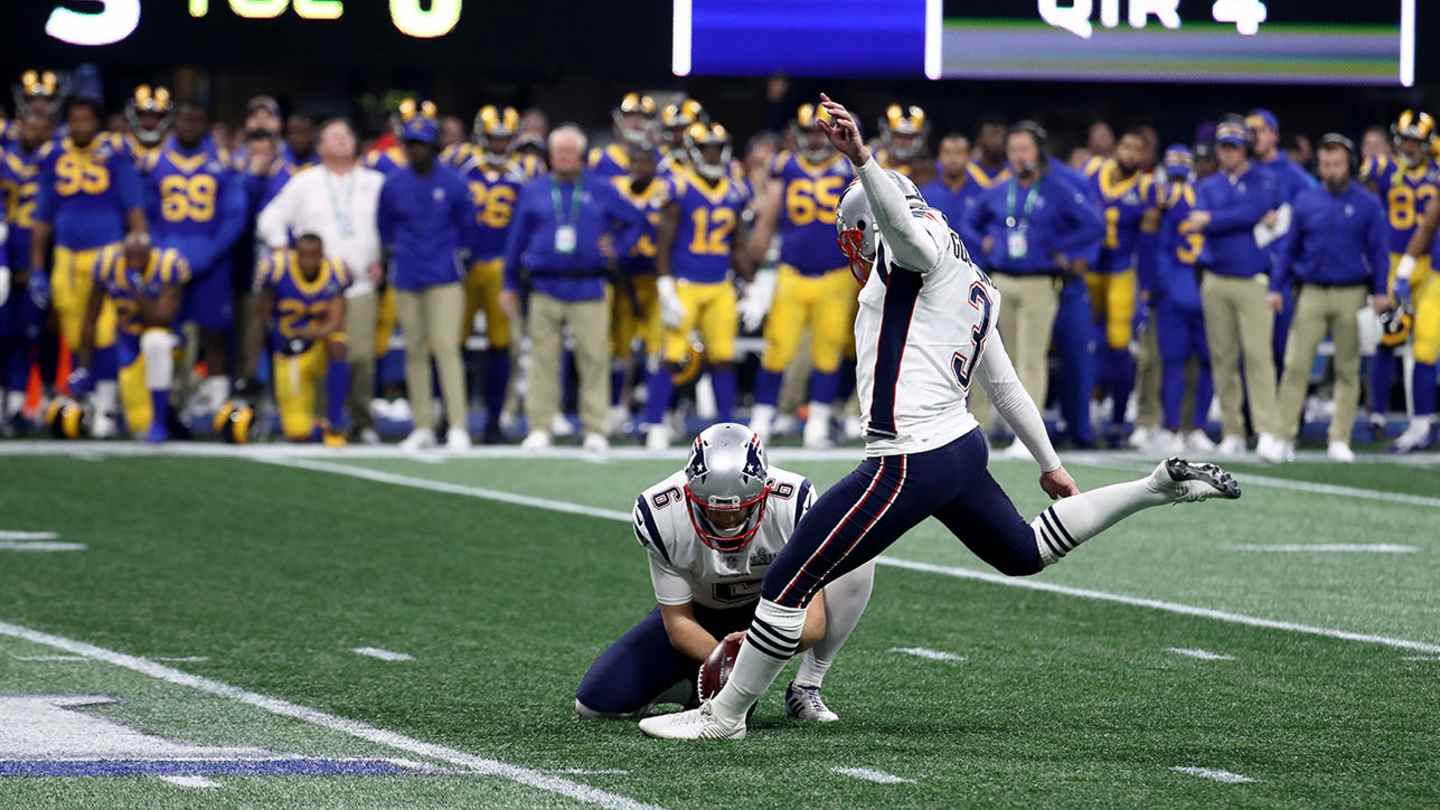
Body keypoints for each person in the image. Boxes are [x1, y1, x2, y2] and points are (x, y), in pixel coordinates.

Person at [638, 94, 1240, 742]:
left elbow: (904, 234)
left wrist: (863, 159)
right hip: (960, 450)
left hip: (909, 456)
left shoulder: (913, 257)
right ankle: (1154, 487)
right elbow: (1005, 387)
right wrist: (1050, 465)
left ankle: (723, 717)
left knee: (786, 581)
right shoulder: (974, 281)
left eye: (857, 240)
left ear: (871, 230)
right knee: (1025, 551)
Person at [576, 423, 874, 722]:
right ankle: (689, 688)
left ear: (763, 492)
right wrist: (726, 663)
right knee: (594, 705)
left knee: (858, 554)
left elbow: (812, 626)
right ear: (691, 493)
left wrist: (754, 649)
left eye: (739, 508)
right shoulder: (661, 513)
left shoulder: (792, 503)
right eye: (713, 509)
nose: (727, 519)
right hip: (701, 613)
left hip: (774, 609)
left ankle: (807, 686)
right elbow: (678, 621)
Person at [500, 124, 644, 452]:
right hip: (544, 283)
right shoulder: (534, 190)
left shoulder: (600, 188)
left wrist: (618, 248)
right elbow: (515, 239)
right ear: (551, 156)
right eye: (558, 152)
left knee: (594, 358)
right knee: (542, 359)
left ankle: (595, 427)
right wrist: (508, 282)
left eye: (570, 152)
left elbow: (637, 220)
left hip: (589, 284)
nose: (564, 158)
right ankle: (540, 425)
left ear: (581, 156)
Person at [963, 121, 1103, 451]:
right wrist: (984, 243)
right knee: (991, 356)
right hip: (1001, 280)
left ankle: (1028, 438)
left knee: (1030, 359)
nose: (1018, 156)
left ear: (1038, 152)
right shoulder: (1001, 190)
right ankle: (976, 431)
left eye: (1024, 149)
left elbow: (1093, 224)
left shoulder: (1057, 189)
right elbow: (969, 221)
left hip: (1041, 282)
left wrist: (1062, 249)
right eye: (1013, 150)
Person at [258, 118, 385, 443]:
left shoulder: (375, 181)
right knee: (316, 354)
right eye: (334, 136)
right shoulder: (306, 181)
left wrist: (386, 258)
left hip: (359, 283)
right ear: (320, 147)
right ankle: (324, 420)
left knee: (359, 356)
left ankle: (361, 420)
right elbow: (270, 218)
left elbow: (394, 226)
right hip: (314, 287)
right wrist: (280, 250)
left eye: (347, 134)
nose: (342, 140)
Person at [30, 93, 148, 438]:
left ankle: (107, 408)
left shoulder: (115, 151)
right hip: (67, 255)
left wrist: (139, 254)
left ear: (97, 122)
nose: (81, 126)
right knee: (73, 329)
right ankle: (87, 400)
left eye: (87, 119)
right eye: (76, 120)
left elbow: (134, 207)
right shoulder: (54, 154)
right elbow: (41, 218)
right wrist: (38, 268)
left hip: (108, 251)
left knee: (105, 330)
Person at [1272, 135, 1388, 463]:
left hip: (1352, 292)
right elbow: (1288, 249)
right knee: (1296, 365)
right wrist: (1275, 288)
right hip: (1310, 291)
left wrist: (1380, 291)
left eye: (1337, 164)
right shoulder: (1306, 201)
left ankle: (1340, 437)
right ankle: (1283, 435)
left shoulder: (1367, 203)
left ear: (1348, 165)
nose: (1331, 171)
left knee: (1348, 369)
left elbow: (1379, 252)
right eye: (1325, 165)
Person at [745, 103, 855, 448]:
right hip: (792, 271)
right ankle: (761, 419)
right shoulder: (785, 166)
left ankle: (817, 422)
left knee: (829, 350)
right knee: (777, 347)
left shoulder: (848, 167)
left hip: (837, 273)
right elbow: (768, 217)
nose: (814, 138)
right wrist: (754, 268)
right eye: (808, 131)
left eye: (818, 130)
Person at [644, 122, 756, 450]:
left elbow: (737, 244)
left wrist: (750, 286)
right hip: (685, 283)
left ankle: (728, 429)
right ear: (693, 150)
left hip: (720, 284)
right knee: (672, 355)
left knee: (723, 356)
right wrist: (665, 287)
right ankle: (655, 423)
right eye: (706, 148)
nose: (713, 154)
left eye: (717, 148)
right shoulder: (677, 186)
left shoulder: (735, 190)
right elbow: (663, 242)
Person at [1182, 116, 1283, 461]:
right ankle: (1232, 430)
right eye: (1223, 147)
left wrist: (1215, 220)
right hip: (1216, 279)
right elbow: (1218, 216)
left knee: (1258, 357)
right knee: (1222, 358)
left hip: (1253, 280)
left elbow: (1253, 208)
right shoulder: (1208, 184)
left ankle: (1267, 429)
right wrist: (1233, 218)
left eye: (1234, 147)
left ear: (1245, 148)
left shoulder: (1264, 179)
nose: (1228, 153)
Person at [378, 114, 477, 451]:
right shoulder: (393, 183)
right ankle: (422, 424)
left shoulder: (454, 182)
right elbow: (385, 228)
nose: (415, 150)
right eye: (410, 144)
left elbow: (468, 229)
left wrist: (456, 259)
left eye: (421, 144)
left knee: (446, 347)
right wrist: (399, 256)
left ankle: (458, 424)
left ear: (434, 146)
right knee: (415, 351)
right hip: (407, 275)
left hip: (445, 276)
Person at [146, 100, 246, 417]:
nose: (190, 126)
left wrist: (210, 252)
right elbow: (145, 214)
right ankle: (170, 406)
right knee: (165, 334)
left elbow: (235, 215)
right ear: (175, 122)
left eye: (197, 120)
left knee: (215, 335)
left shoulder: (223, 161)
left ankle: (218, 407)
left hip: (212, 263)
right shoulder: (154, 161)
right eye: (185, 119)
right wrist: (163, 253)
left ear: (205, 123)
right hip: (167, 263)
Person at [452, 105, 545, 444]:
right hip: (464, 267)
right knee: (452, 346)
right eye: (494, 138)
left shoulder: (528, 168)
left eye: (506, 139)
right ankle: (448, 418)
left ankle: (493, 420)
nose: (500, 145)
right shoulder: (461, 160)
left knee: (500, 346)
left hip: (503, 268)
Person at [1361, 110, 1437, 441]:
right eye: (1405, 140)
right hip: (1394, 263)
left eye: (1415, 141)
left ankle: (1421, 423)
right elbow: (1361, 195)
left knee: (1426, 343)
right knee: (1389, 336)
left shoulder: (1436, 172)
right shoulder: (1383, 167)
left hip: (1431, 267)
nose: (1409, 147)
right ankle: (1377, 415)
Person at [69, 233, 188, 442]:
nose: (133, 262)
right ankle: (106, 410)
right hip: (128, 340)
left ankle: (160, 421)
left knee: (155, 341)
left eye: (139, 256)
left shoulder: (168, 265)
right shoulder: (108, 263)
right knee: (104, 332)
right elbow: (90, 317)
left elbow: (161, 319)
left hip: (168, 342)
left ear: (150, 253)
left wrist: (138, 291)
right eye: (129, 256)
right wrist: (83, 366)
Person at [1083, 127, 1160, 444]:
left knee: (1118, 345)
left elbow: (1149, 241)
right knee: (1086, 342)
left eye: (1136, 148)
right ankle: (1087, 407)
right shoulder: (1092, 170)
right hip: (1089, 269)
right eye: (1125, 145)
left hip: (1120, 272)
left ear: (1144, 156)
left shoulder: (1147, 188)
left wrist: (1148, 282)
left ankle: (1116, 414)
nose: (1129, 153)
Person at [242, 233, 351, 445]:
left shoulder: (335, 271)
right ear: (295, 254)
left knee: (339, 342)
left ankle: (335, 422)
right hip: (288, 351)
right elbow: (259, 321)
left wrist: (308, 334)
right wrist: (251, 370)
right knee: (298, 432)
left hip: (318, 346)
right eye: (304, 255)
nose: (309, 261)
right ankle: (319, 429)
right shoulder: (277, 269)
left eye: (314, 255)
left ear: (322, 255)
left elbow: (335, 322)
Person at [1150, 145, 1215, 455]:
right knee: (1178, 363)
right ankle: (1178, 425)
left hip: (1191, 288)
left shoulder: (1197, 195)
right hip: (1184, 289)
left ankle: (1189, 426)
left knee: (1200, 363)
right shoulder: (1180, 196)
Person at [607, 140, 668, 432]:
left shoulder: (666, 189)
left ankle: (655, 412)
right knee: (621, 349)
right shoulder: (615, 189)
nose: (641, 168)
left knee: (658, 350)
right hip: (624, 279)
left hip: (655, 282)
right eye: (637, 162)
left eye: (647, 162)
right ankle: (618, 406)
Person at [0, 108, 53, 428]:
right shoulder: (5, 159)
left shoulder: (54, 161)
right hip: (5, 253)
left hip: (37, 259)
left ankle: (21, 403)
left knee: (27, 336)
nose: (34, 133)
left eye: (41, 128)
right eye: (29, 126)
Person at [923, 133, 986, 256]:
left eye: (959, 153)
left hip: (977, 268)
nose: (952, 159)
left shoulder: (983, 193)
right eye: (947, 153)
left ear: (969, 157)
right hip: (937, 268)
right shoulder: (924, 194)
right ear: (939, 157)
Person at [589, 92, 658, 179]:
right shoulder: (597, 159)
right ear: (618, 120)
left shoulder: (664, 161)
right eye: (629, 115)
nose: (636, 120)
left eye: (644, 116)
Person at [873, 104, 927, 176]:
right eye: (898, 136)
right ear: (887, 134)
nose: (903, 142)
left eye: (910, 137)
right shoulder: (870, 157)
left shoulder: (926, 171)